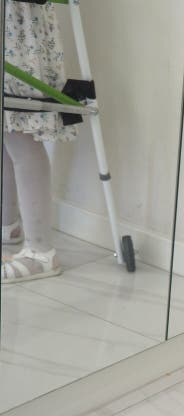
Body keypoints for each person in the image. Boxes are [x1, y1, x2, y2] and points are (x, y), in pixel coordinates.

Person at [2, 0, 77, 283]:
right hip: (13, 20)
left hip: (19, 23)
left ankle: (41, 251)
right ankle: (8, 225)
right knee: (8, 129)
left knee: (19, 130)